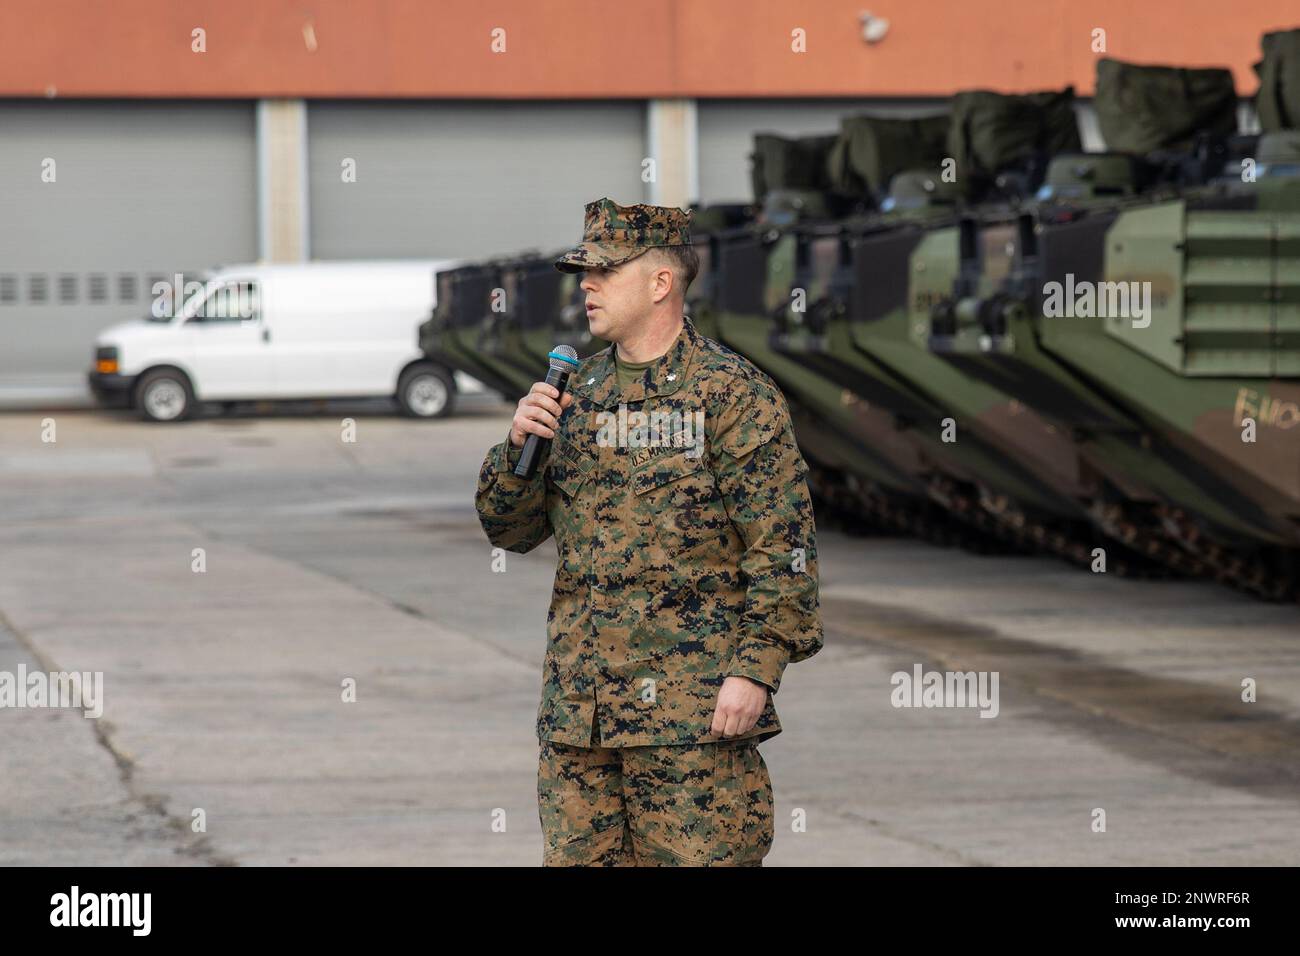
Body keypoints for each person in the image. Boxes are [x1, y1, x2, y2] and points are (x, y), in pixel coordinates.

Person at [474, 196, 822, 866]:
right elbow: (509, 531)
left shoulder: (730, 396)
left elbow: (786, 551)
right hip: (583, 719)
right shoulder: (576, 396)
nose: (587, 285)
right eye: (584, 271)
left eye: (605, 270)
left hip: (692, 723)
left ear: (661, 282)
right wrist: (518, 447)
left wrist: (756, 671)